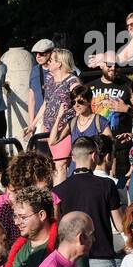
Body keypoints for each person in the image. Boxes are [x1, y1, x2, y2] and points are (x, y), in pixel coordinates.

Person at [54, 137, 125, 267]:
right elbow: (120, 223)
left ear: (74, 158)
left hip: (72, 262)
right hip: (102, 257)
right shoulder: (106, 186)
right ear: (94, 156)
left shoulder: (59, 191)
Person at [38, 48, 80, 181]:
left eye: (51, 60)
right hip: (49, 129)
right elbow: (46, 104)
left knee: (60, 164)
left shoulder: (73, 82)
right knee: (50, 167)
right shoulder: (50, 81)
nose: (48, 63)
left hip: (64, 129)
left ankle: (58, 199)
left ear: (59, 63)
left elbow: (80, 103)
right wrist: (33, 124)